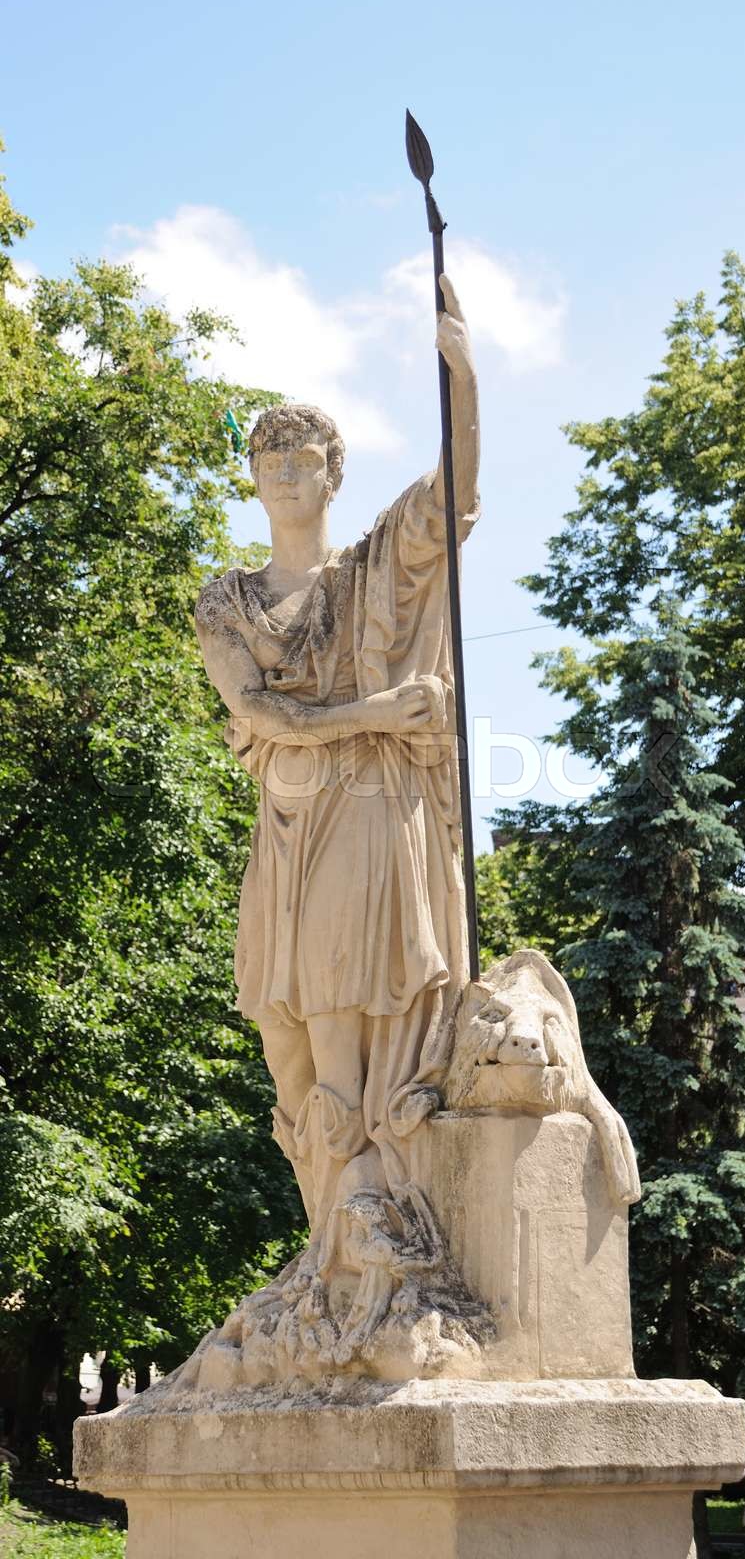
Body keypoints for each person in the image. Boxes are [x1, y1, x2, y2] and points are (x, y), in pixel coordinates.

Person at [195, 276, 479, 1245]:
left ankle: (368, 1229)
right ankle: (331, 1231)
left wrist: (462, 380)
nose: (283, 472)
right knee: (281, 1035)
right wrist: (373, 711)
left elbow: (455, 499)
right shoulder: (225, 600)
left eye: (302, 458)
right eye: (267, 458)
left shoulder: (369, 574)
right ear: (251, 477)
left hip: (363, 811)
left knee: (334, 1004)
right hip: (284, 821)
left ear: (331, 475)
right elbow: (258, 711)